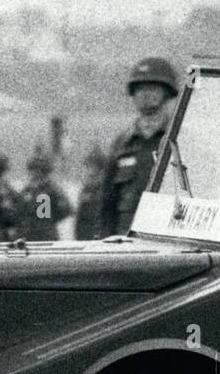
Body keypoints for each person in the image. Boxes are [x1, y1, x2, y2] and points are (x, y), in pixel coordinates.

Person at [100, 57, 178, 236]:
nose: (144, 94)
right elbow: (107, 206)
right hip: (125, 243)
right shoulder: (122, 144)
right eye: (139, 89)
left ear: (166, 92)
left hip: (167, 240)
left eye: (152, 88)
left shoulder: (179, 140)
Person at [20, 144, 72, 241]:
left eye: (39, 170)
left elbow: (66, 209)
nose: (35, 174)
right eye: (33, 170)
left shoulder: (52, 188)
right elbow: (20, 210)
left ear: (44, 172)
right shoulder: (27, 190)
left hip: (47, 233)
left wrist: (50, 220)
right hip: (28, 233)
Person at [75, 144, 107, 240]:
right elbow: (80, 215)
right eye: (88, 167)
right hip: (85, 234)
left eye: (94, 167)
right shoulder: (86, 188)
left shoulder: (106, 187)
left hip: (101, 234)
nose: (90, 171)